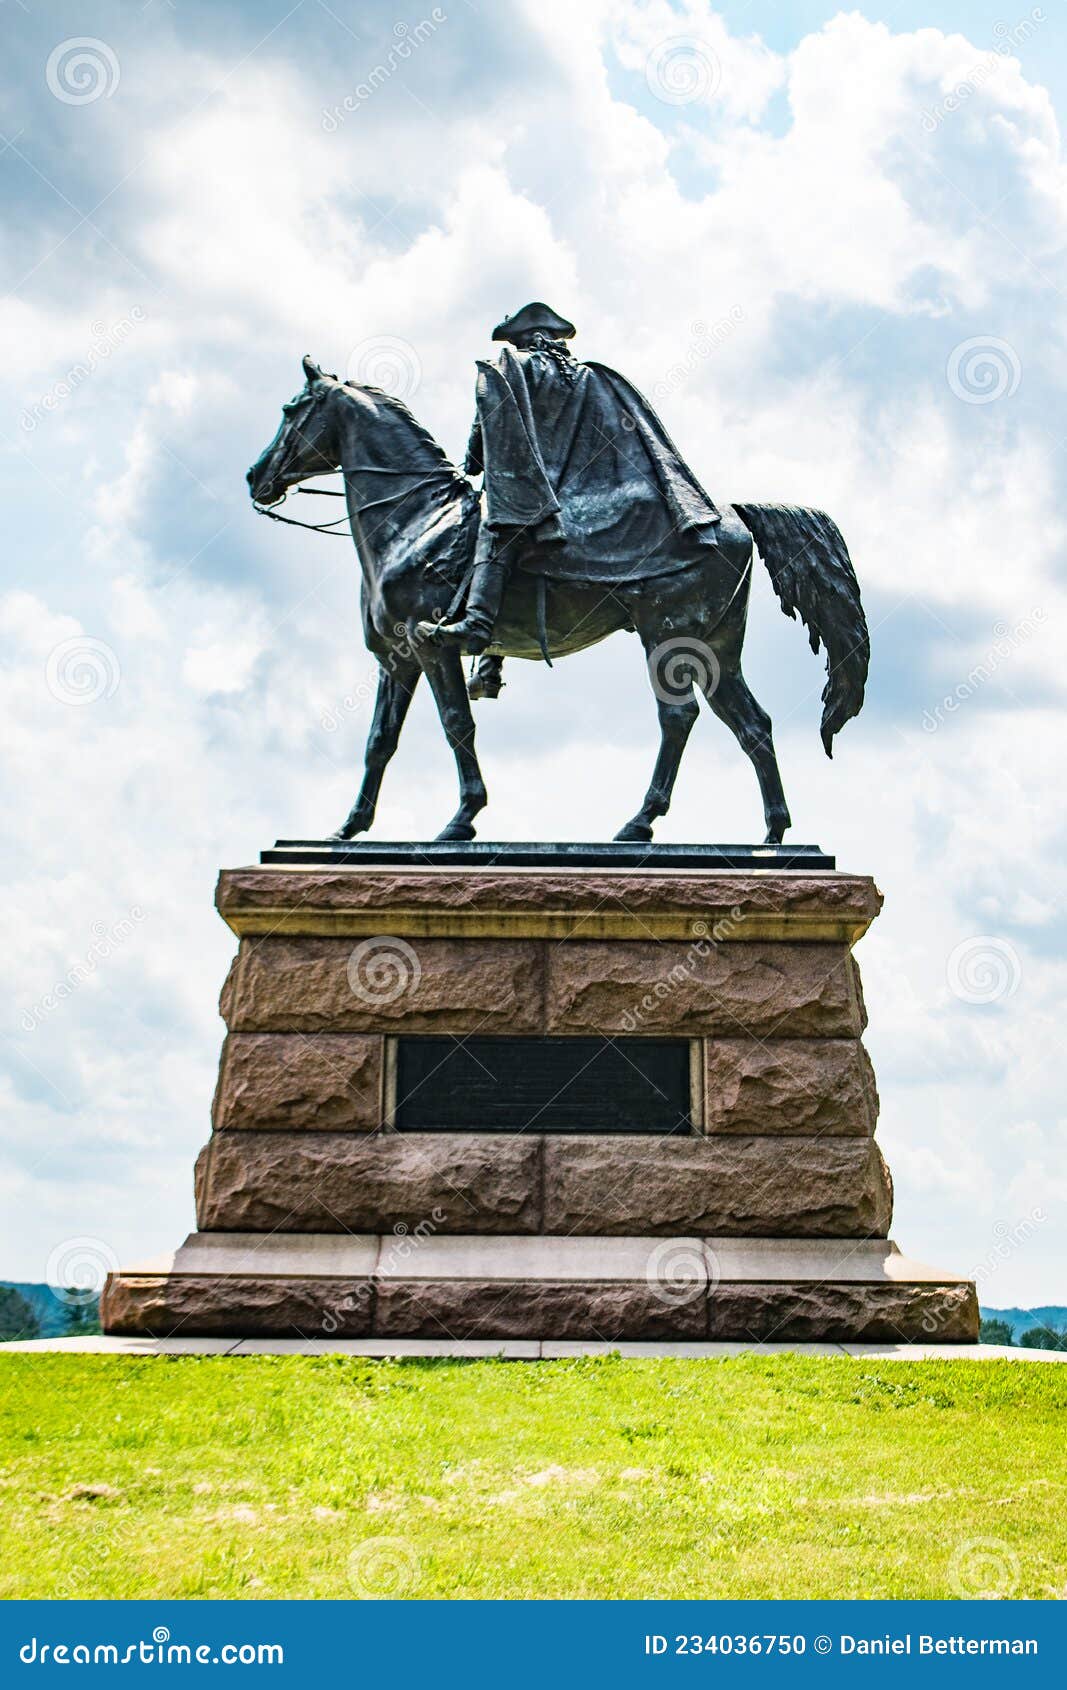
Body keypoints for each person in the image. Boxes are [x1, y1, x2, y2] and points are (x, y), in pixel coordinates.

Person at [419, 300, 722, 699]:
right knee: (507, 518)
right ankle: (490, 664)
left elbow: (485, 440)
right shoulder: (591, 377)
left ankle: (477, 625)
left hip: (536, 497)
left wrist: (472, 460)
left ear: (522, 339)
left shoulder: (513, 368)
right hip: (591, 502)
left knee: (492, 524)